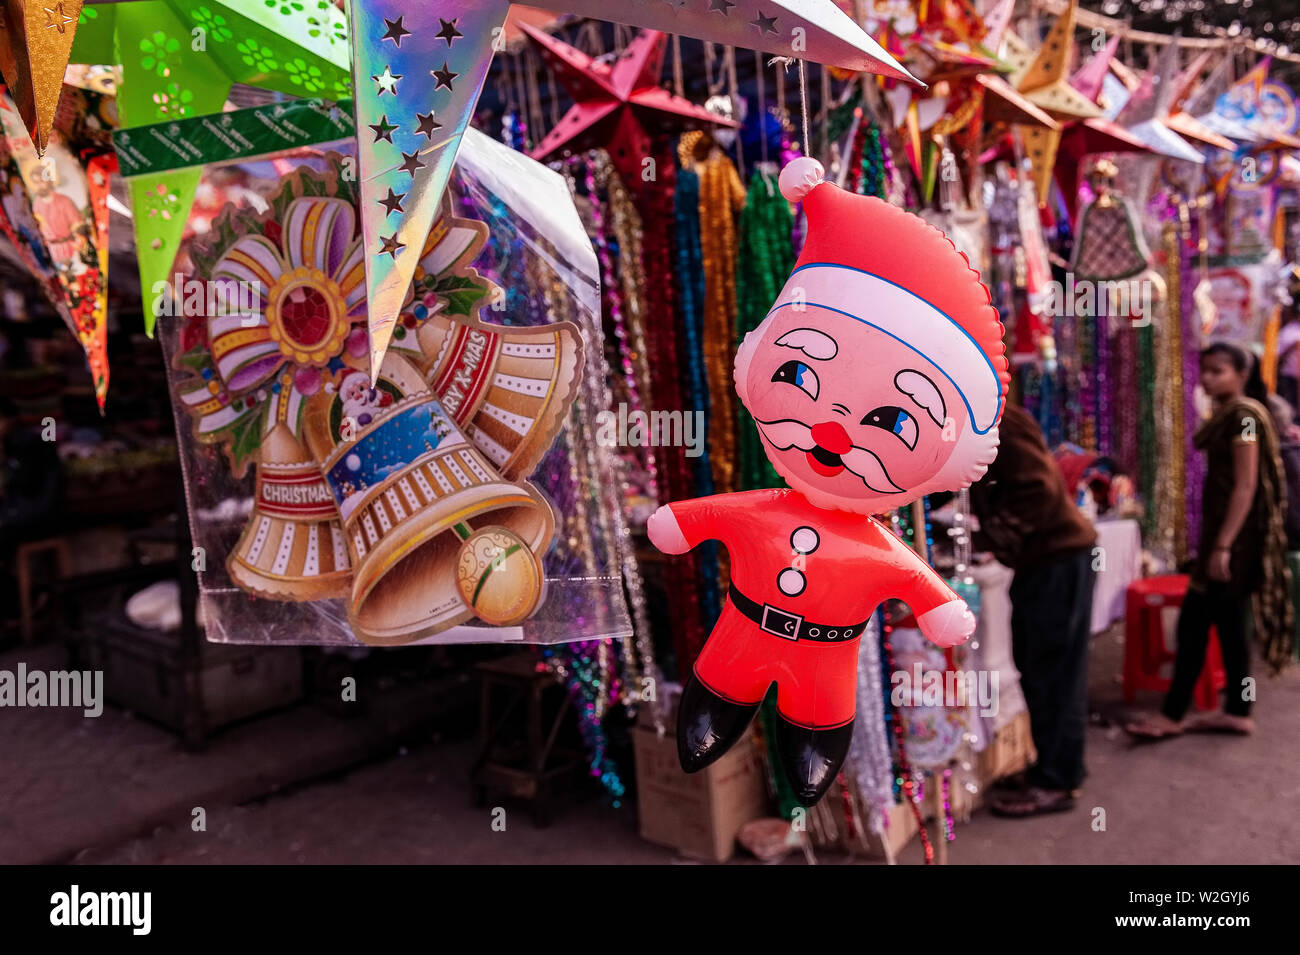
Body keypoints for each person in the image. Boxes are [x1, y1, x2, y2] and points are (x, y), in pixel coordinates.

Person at [1127, 343, 1293, 739]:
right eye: (1205, 370)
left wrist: (1222, 546)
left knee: (1194, 624)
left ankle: (1172, 714)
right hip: (1228, 536)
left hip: (1234, 540)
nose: (1207, 378)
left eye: (1218, 371)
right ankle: (1237, 710)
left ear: (1241, 373)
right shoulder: (1227, 415)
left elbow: (1247, 484)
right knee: (1230, 624)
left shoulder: (1244, 417)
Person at [968, 402, 1099, 817]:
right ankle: (1054, 770)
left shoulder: (996, 416)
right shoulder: (983, 414)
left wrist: (989, 536)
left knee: (1053, 674)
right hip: (1046, 560)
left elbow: (1036, 488)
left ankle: (1056, 782)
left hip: (1057, 558)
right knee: (1042, 667)